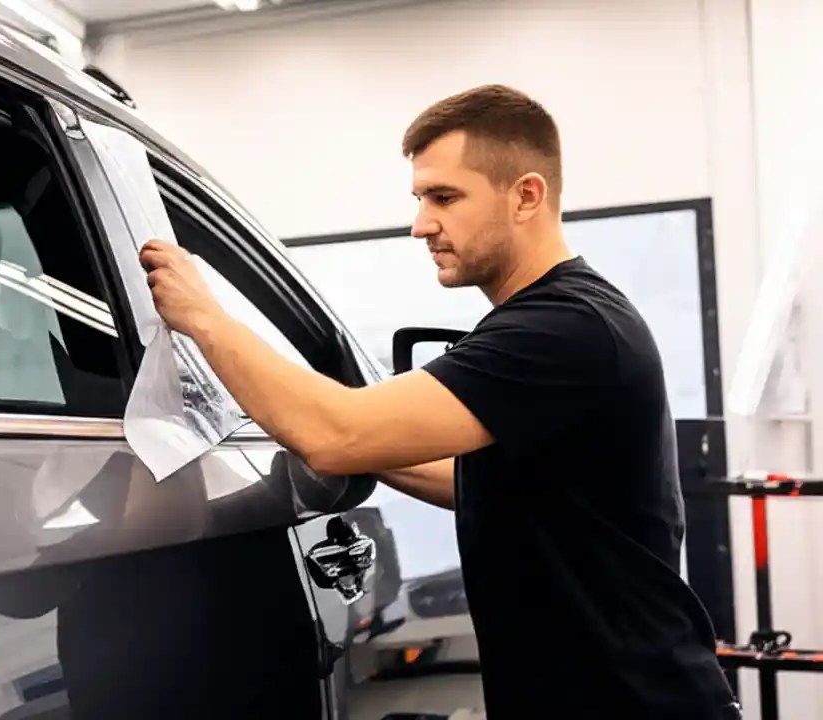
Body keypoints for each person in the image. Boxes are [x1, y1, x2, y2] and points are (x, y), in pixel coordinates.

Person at [139, 84, 741, 719]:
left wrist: (205, 319)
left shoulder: (565, 328)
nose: (422, 222)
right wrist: (345, 441)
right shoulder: (555, 322)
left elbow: (333, 433)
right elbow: (476, 479)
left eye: (445, 198)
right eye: (421, 197)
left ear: (526, 196)